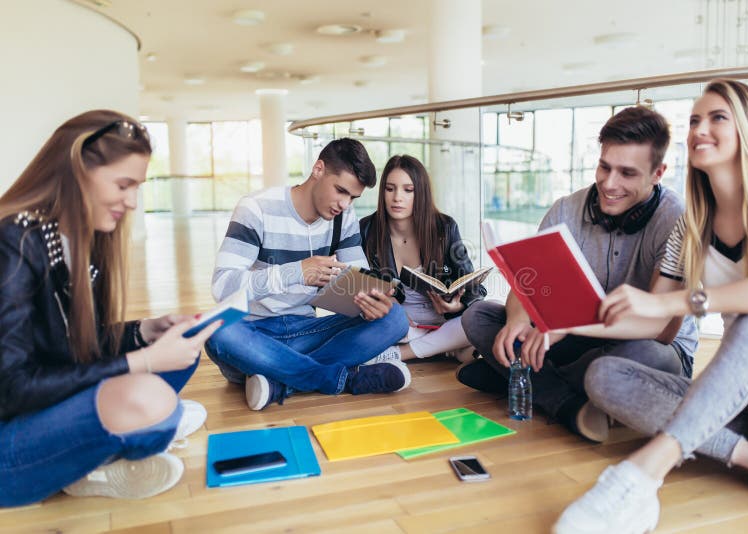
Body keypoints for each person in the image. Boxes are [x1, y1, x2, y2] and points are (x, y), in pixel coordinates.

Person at [553, 79, 748, 533]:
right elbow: (655, 320)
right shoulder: (692, 226)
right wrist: (564, 325)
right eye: (694, 120)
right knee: (604, 375)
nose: (699, 129)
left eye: (717, 118)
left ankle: (642, 475)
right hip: (744, 406)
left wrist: (682, 299)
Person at [0, 110, 220, 506]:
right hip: (10, 439)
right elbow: (13, 389)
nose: (132, 202)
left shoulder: (80, 239)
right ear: (77, 171)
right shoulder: (12, 242)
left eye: (137, 187)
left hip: (46, 406)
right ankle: (130, 436)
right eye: (123, 185)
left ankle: (127, 434)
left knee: (181, 348)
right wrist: (142, 362)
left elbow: (71, 343)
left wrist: (143, 332)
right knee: (150, 395)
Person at [458, 106, 698, 441]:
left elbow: (660, 330)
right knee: (478, 316)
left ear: (658, 173)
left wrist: (562, 327)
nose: (609, 184)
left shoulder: (676, 220)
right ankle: (570, 402)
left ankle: (524, 377)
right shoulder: (566, 209)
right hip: (574, 339)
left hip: (644, 344)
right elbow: (527, 284)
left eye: (627, 173)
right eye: (604, 167)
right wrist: (517, 320)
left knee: (641, 357)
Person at [204, 138, 410, 411]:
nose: (344, 204)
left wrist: (372, 303)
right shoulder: (256, 208)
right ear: (318, 169)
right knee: (217, 330)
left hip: (306, 331)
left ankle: (279, 381)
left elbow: (360, 280)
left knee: (395, 318)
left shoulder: (343, 218)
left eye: (353, 197)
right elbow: (222, 286)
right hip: (254, 333)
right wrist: (295, 272)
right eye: (341, 191)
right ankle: (344, 379)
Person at [359, 154, 486, 363]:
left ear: (421, 193)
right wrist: (386, 303)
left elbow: (474, 289)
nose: (397, 197)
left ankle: (401, 354)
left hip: (444, 323)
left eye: (408, 190)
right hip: (398, 325)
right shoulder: (367, 229)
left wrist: (456, 307)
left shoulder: (445, 228)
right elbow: (359, 289)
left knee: (487, 313)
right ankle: (442, 347)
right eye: (390, 189)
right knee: (371, 326)